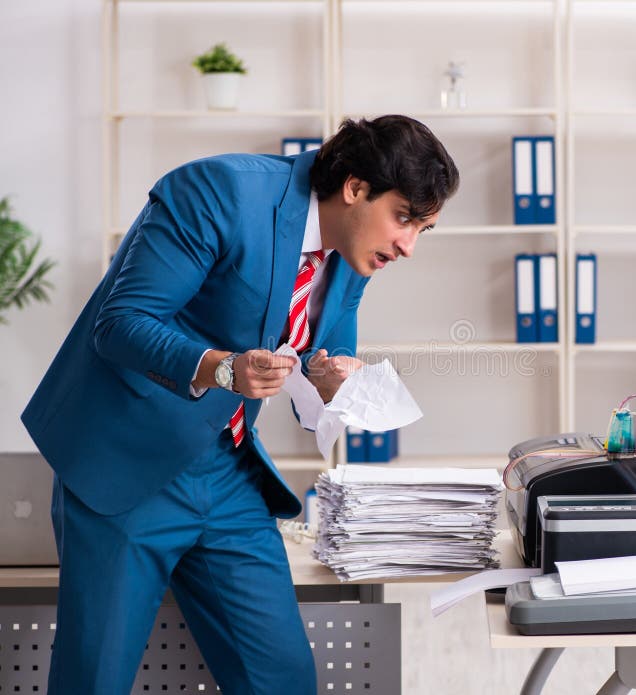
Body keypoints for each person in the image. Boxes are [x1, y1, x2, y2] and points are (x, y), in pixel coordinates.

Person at [21, 115, 459, 695]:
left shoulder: (357, 248)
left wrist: (332, 376)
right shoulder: (219, 191)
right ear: (355, 188)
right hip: (128, 462)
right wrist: (221, 368)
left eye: (423, 229)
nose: (408, 246)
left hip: (228, 472)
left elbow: (324, 346)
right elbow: (121, 323)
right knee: (94, 682)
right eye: (404, 218)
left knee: (282, 679)